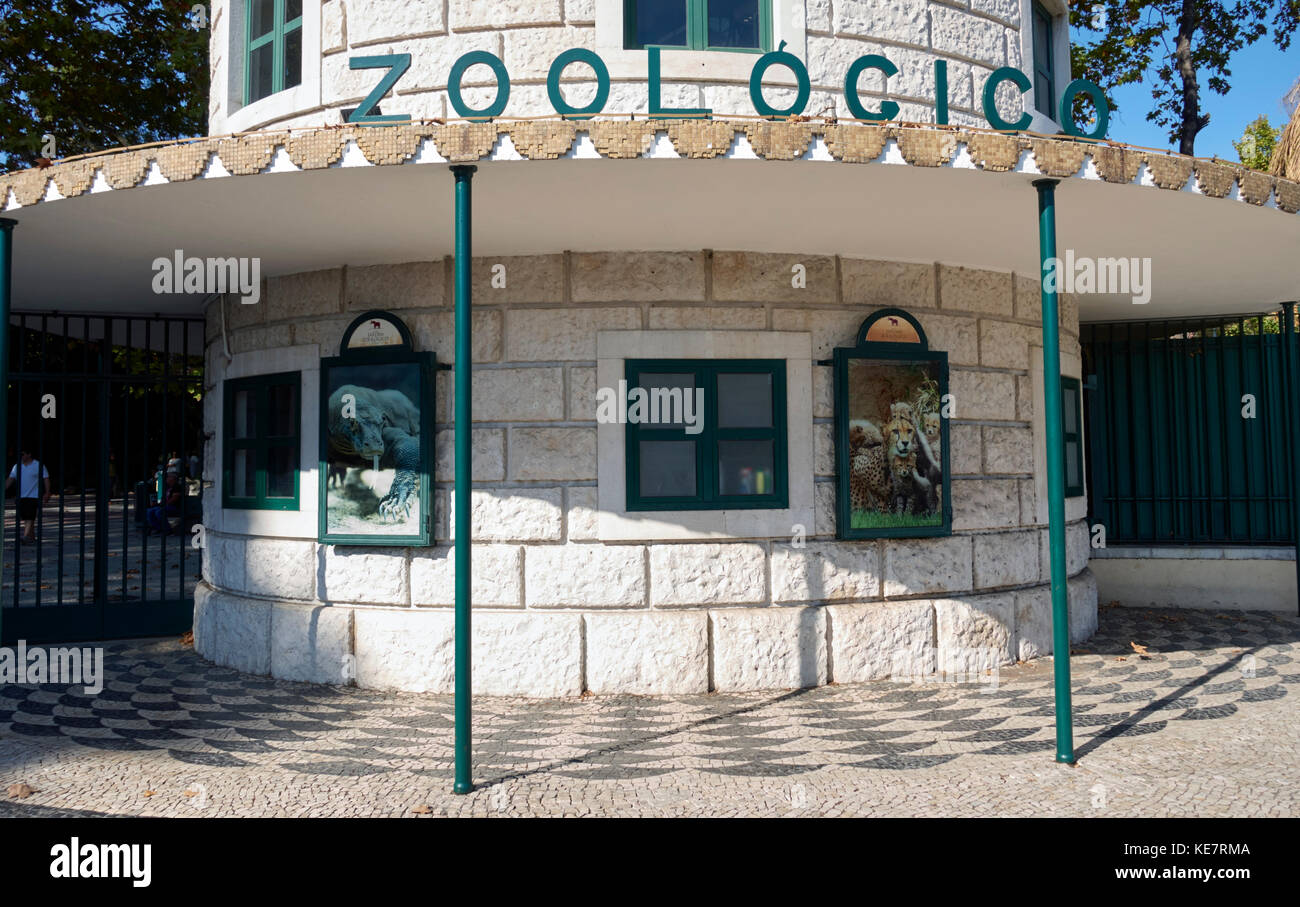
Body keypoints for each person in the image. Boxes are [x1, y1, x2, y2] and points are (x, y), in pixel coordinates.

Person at [6, 449, 52, 544]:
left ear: (29, 454)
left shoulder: (38, 465)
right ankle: (31, 538)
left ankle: (25, 536)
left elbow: (46, 479)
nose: (20, 456)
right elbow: (10, 479)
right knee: (25, 517)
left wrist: (47, 492)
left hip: (34, 495)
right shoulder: (17, 466)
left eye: (22, 454)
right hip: (21, 496)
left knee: (30, 517)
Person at [146, 471, 183, 535]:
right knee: (149, 511)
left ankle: (167, 530)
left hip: (175, 507)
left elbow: (174, 499)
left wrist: (162, 504)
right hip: (166, 506)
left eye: (168, 477)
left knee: (159, 512)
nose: (166, 479)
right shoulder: (167, 487)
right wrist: (157, 503)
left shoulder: (177, 487)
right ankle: (158, 528)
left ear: (173, 478)